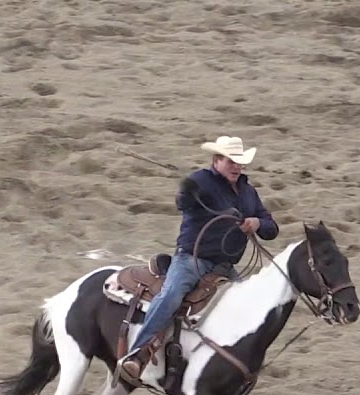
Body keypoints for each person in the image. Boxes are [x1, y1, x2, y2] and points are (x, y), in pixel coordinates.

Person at [117, 135, 280, 381]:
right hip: (193, 259)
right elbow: (183, 204)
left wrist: (257, 222)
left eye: (240, 162)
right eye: (231, 161)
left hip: (225, 267)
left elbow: (271, 228)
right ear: (217, 160)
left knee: (248, 307)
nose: (237, 166)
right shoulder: (199, 182)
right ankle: (138, 354)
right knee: (171, 295)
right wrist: (187, 192)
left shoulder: (248, 193)